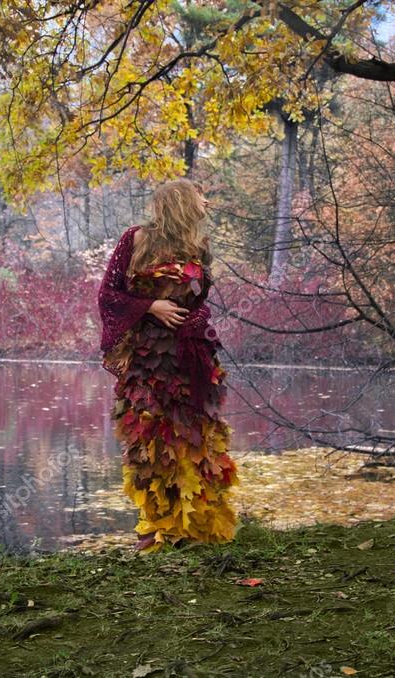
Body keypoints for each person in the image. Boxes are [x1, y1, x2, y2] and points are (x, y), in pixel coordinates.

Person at [97, 178, 239, 553]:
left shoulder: (198, 247)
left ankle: (194, 527)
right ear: (181, 202)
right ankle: (156, 528)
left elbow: (199, 303)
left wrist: (196, 318)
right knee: (151, 438)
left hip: (192, 355)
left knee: (196, 437)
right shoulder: (136, 239)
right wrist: (149, 307)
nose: (207, 202)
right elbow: (108, 295)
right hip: (149, 358)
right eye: (201, 196)